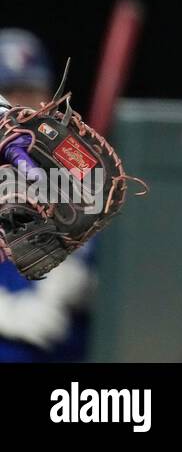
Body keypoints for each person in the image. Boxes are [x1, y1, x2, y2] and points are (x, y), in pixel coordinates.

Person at [0, 30, 94, 362]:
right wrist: (7, 312)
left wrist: (82, 280)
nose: (20, 105)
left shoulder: (81, 169)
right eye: (9, 92)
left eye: (30, 91)